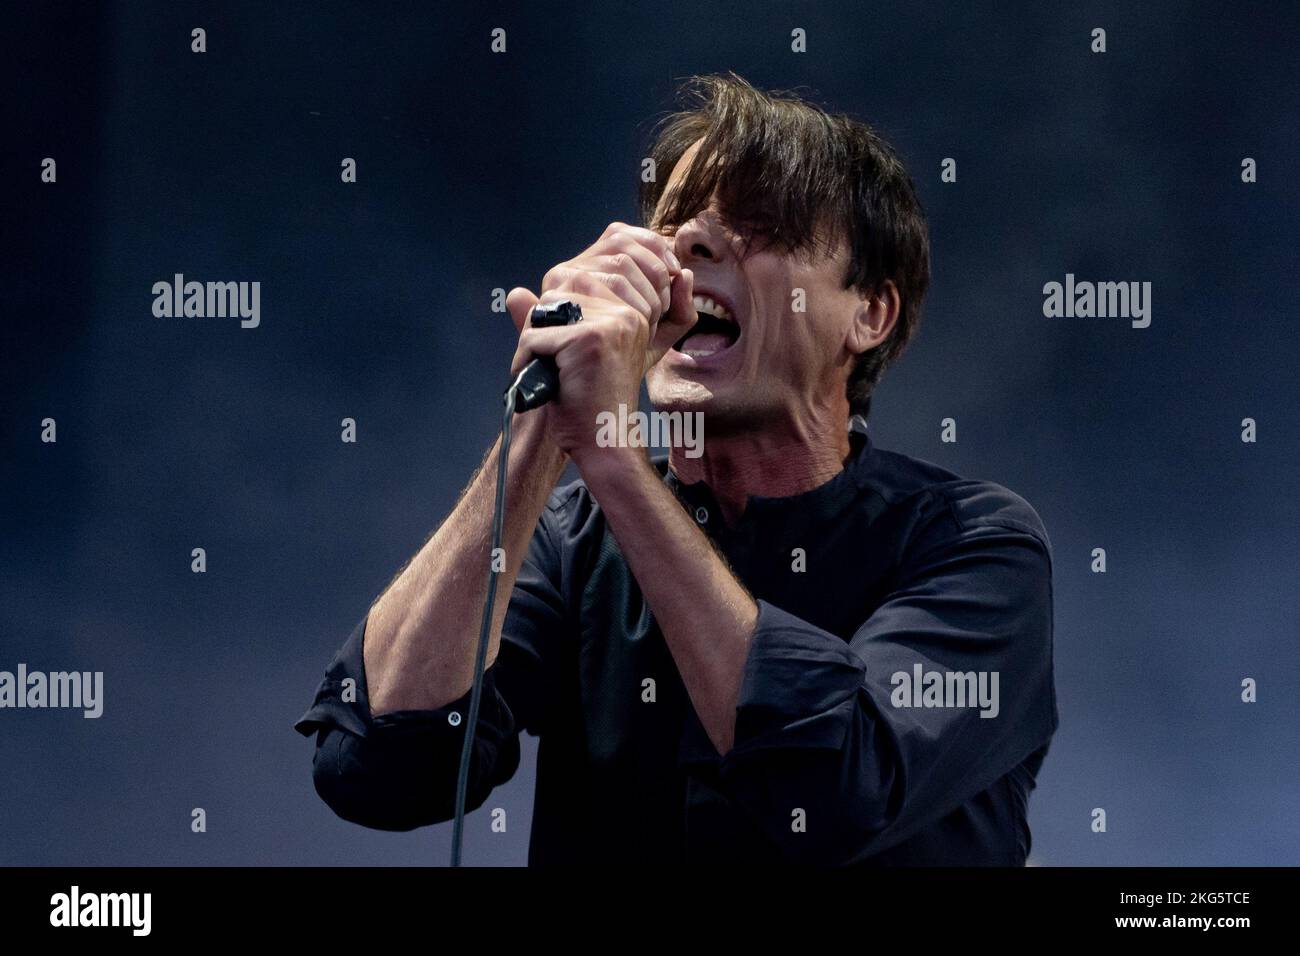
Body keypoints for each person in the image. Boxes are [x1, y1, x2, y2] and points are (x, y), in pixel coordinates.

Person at [294, 72, 1058, 866]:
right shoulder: (571, 543)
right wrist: (538, 430)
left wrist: (610, 456)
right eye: (675, 220)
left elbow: (836, 786)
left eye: (762, 223)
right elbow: (375, 768)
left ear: (868, 313)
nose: (690, 242)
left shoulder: (975, 545)